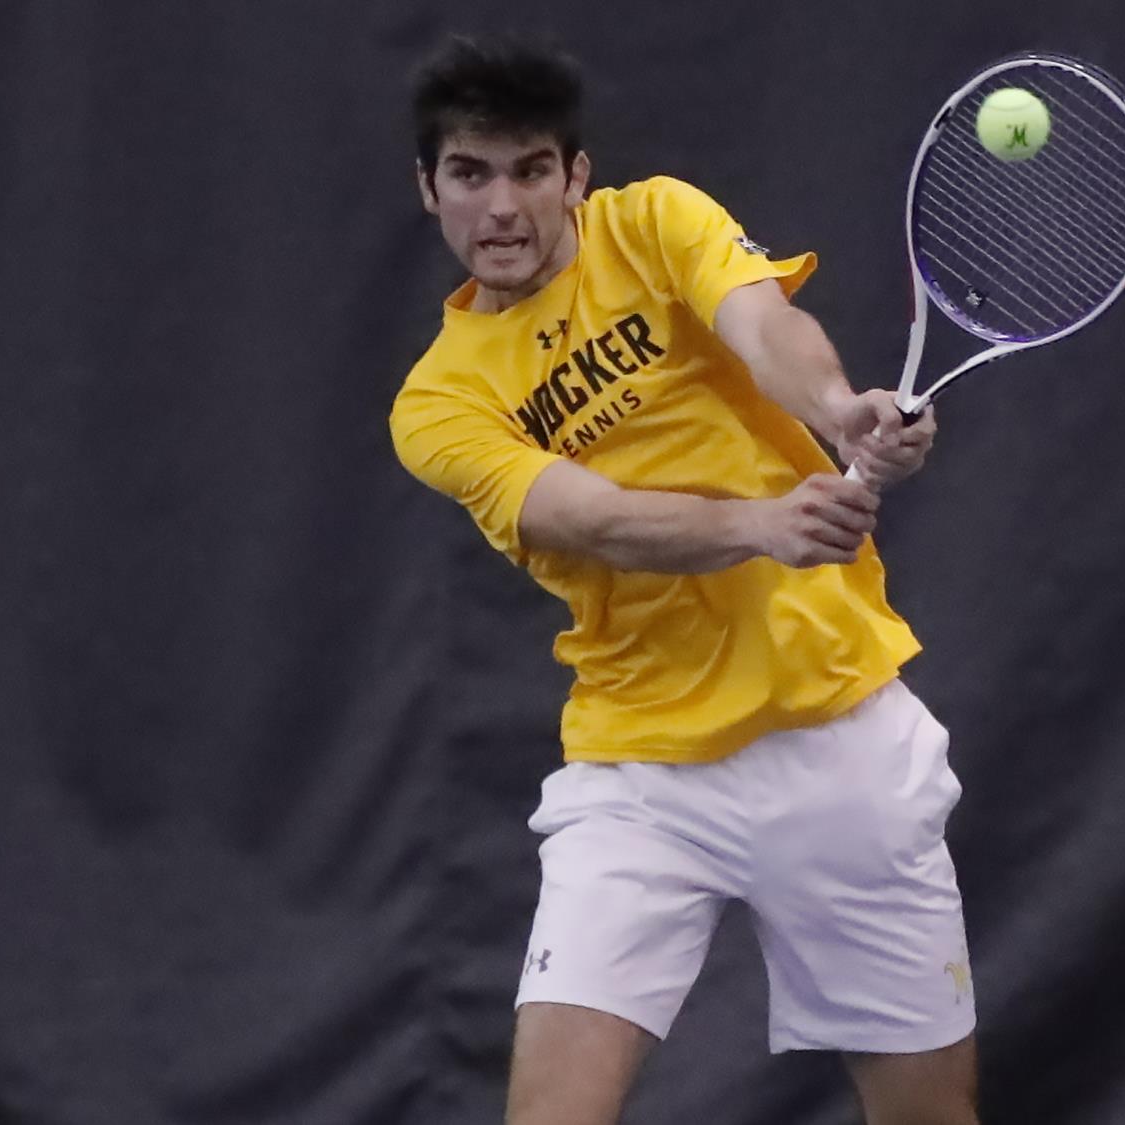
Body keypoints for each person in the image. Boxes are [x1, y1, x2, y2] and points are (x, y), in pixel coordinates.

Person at [389, 35, 977, 1125]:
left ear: (575, 175)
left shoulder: (655, 221)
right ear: (429, 191)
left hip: (839, 736)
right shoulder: (435, 405)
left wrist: (840, 410)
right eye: (469, 174)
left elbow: (763, 325)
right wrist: (759, 525)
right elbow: (590, 518)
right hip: (641, 772)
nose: (502, 205)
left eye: (528, 169)